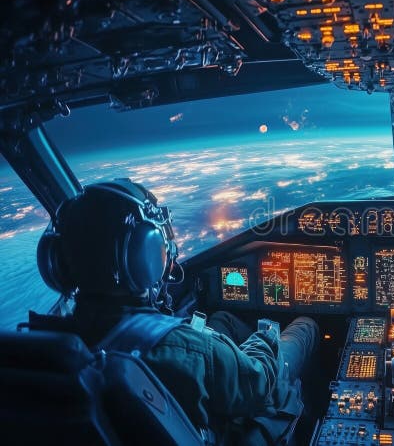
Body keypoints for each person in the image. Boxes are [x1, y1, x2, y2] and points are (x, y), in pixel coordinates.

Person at [32, 178, 319, 444]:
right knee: (305, 326)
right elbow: (259, 381)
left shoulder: (50, 349)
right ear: (145, 253)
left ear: (56, 263)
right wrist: (266, 336)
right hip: (224, 426)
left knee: (221, 320)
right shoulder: (181, 349)